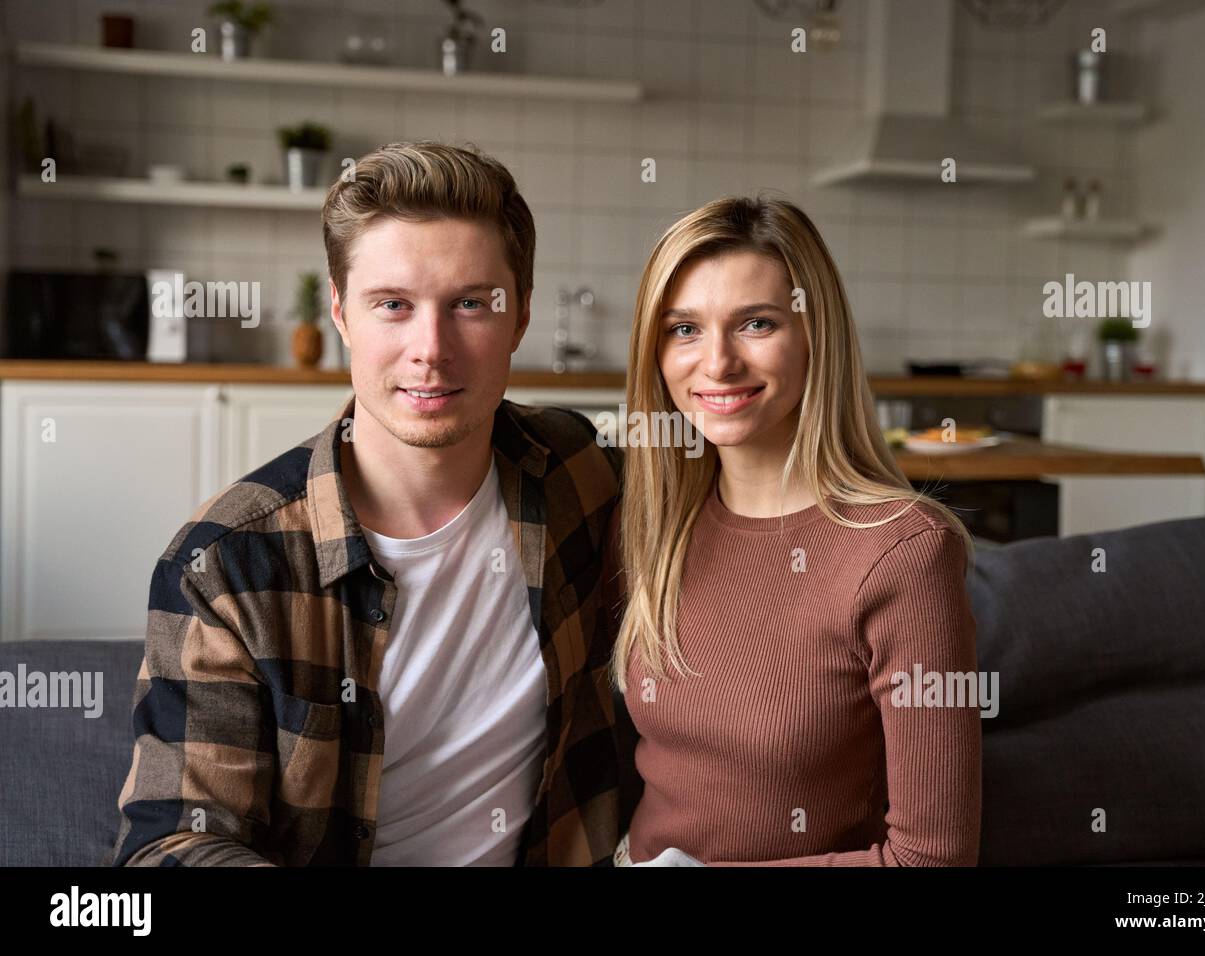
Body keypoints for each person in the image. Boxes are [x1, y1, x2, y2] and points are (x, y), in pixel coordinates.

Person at [108, 142, 633, 866]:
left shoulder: (582, 472)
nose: (431, 349)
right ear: (342, 316)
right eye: (393, 305)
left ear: (520, 318)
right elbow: (170, 844)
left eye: (471, 304)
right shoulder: (225, 563)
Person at [607, 195, 983, 866]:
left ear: (816, 335)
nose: (717, 363)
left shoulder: (904, 552)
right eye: (684, 328)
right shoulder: (655, 526)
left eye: (756, 323)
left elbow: (933, 859)